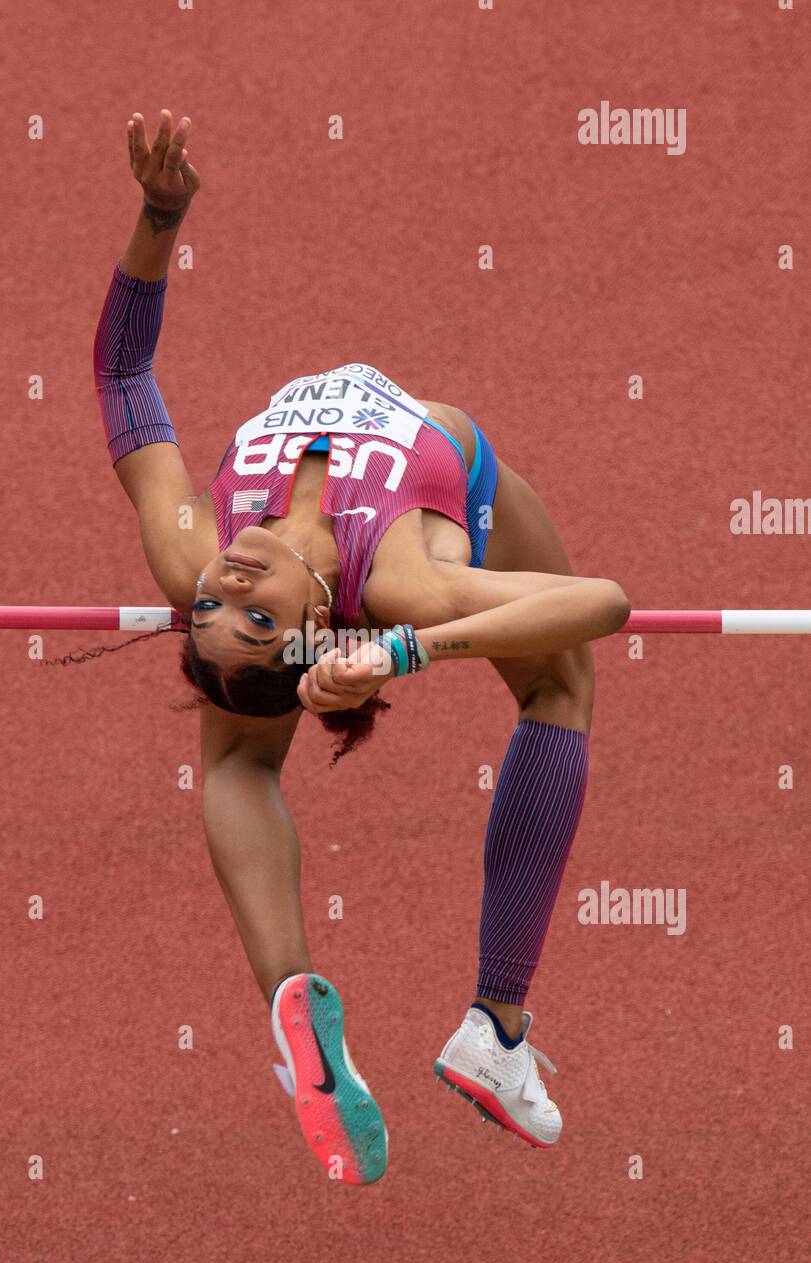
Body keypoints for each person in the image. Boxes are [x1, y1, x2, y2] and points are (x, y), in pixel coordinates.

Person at [93, 108, 630, 1185]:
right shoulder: (398, 581)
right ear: (318, 625)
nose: (223, 590)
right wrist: (405, 650)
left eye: (206, 609)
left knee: (240, 753)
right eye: (251, 618)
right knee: (559, 690)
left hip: (381, 598)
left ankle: (289, 995)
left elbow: (120, 378)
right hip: (461, 486)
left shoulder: (194, 547)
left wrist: (159, 217)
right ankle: (495, 1023)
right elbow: (600, 602)